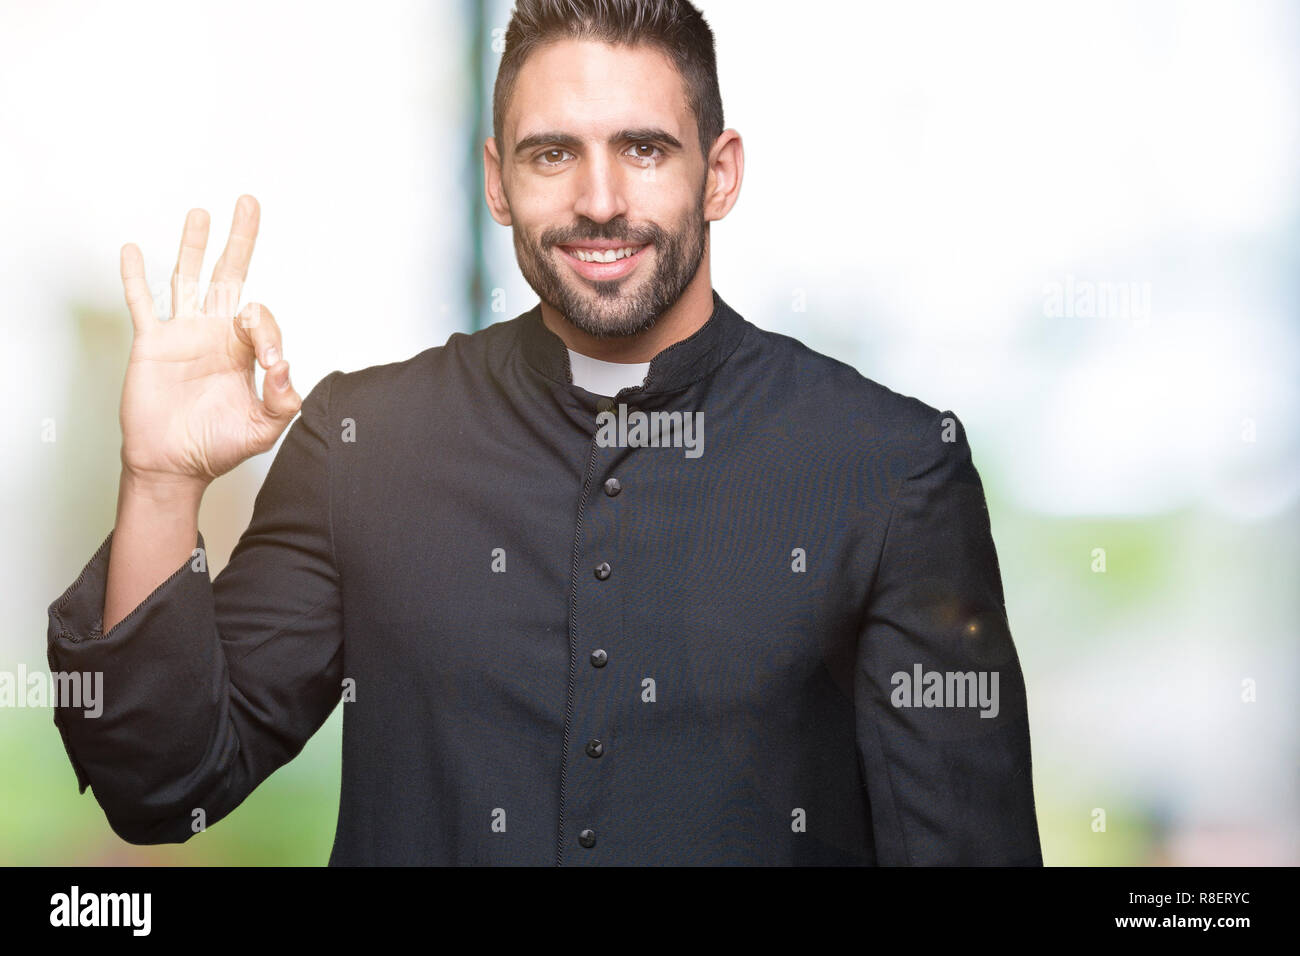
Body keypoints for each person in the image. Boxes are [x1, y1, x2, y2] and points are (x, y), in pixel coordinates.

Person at [47, 0, 1043, 865]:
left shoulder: (888, 469)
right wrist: (160, 479)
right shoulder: (363, 442)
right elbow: (161, 785)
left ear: (720, 173)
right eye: (552, 152)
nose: (598, 199)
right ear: (496, 179)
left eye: (643, 148)